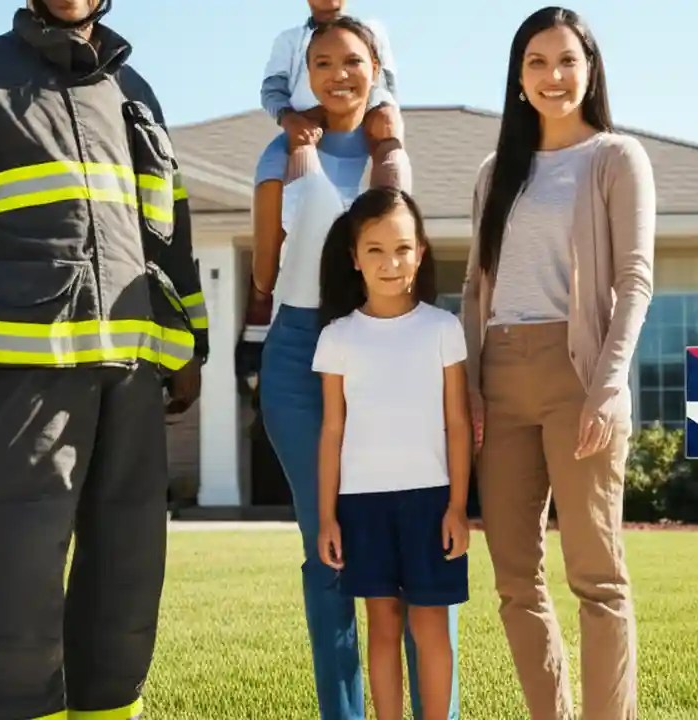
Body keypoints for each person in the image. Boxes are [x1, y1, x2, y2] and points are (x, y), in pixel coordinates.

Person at [0, 2, 208, 718]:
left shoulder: (135, 93)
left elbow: (168, 237)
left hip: (132, 372)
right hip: (16, 376)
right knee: (19, 584)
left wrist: (188, 344)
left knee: (128, 579)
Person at [250, 16, 460, 720]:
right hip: (297, 350)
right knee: (330, 549)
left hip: (384, 345)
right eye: (322, 62)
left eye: (352, 61)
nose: (339, 74)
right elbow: (265, 268)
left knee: (417, 538)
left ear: (378, 70)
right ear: (303, 74)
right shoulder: (276, 153)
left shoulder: (392, 152)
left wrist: (387, 142)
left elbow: (402, 253)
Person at [461, 7, 656, 720]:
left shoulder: (614, 157)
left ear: (590, 69)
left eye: (567, 60)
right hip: (501, 379)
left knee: (597, 577)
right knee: (515, 580)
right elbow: (475, 288)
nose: (553, 76)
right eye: (537, 63)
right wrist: (471, 386)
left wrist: (607, 385)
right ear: (518, 79)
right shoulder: (495, 172)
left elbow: (635, 279)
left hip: (579, 379)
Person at [313, 187, 471, 720]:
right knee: (382, 626)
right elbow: (332, 432)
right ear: (354, 258)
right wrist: (328, 517)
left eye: (402, 248)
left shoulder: (443, 329)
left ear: (420, 252)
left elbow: (457, 424)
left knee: (430, 628)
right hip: (363, 504)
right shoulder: (337, 338)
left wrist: (457, 506)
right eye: (375, 250)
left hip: (431, 502)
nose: (390, 262)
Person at [260, 0, 409, 191]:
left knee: (387, 122)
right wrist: (288, 118)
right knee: (301, 140)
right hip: (309, 116)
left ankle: (389, 204)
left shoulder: (372, 31)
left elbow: (388, 86)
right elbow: (272, 90)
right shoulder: (289, 40)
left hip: (364, 110)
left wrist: (381, 111)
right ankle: (305, 210)